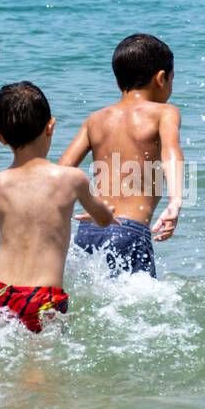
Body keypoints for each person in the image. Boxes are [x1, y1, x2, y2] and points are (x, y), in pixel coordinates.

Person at [0, 81, 114, 332]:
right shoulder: (71, 178)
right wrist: (107, 211)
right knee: (40, 366)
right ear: (50, 127)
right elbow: (103, 219)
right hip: (42, 298)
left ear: (0, 136)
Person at [59, 33, 183, 277]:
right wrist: (175, 199)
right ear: (161, 78)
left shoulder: (95, 119)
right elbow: (171, 151)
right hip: (130, 231)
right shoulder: (164, 112)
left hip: (89, 229)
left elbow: (62, 171)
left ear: (118, 83)